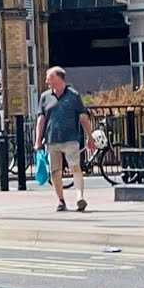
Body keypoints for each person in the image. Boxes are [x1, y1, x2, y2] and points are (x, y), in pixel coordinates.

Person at [34, 66, 95, 212]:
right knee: (55, 171)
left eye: (49, 77)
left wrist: (90, 137)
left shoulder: (73, 95)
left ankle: (80, 197)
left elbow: (83, 117)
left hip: (70, 138)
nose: (46, 81)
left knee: (75, 167)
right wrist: (37, 141)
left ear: (58, 78)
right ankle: (60, 200)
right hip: (52, 139)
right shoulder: (45, 97)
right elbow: (40, 120)